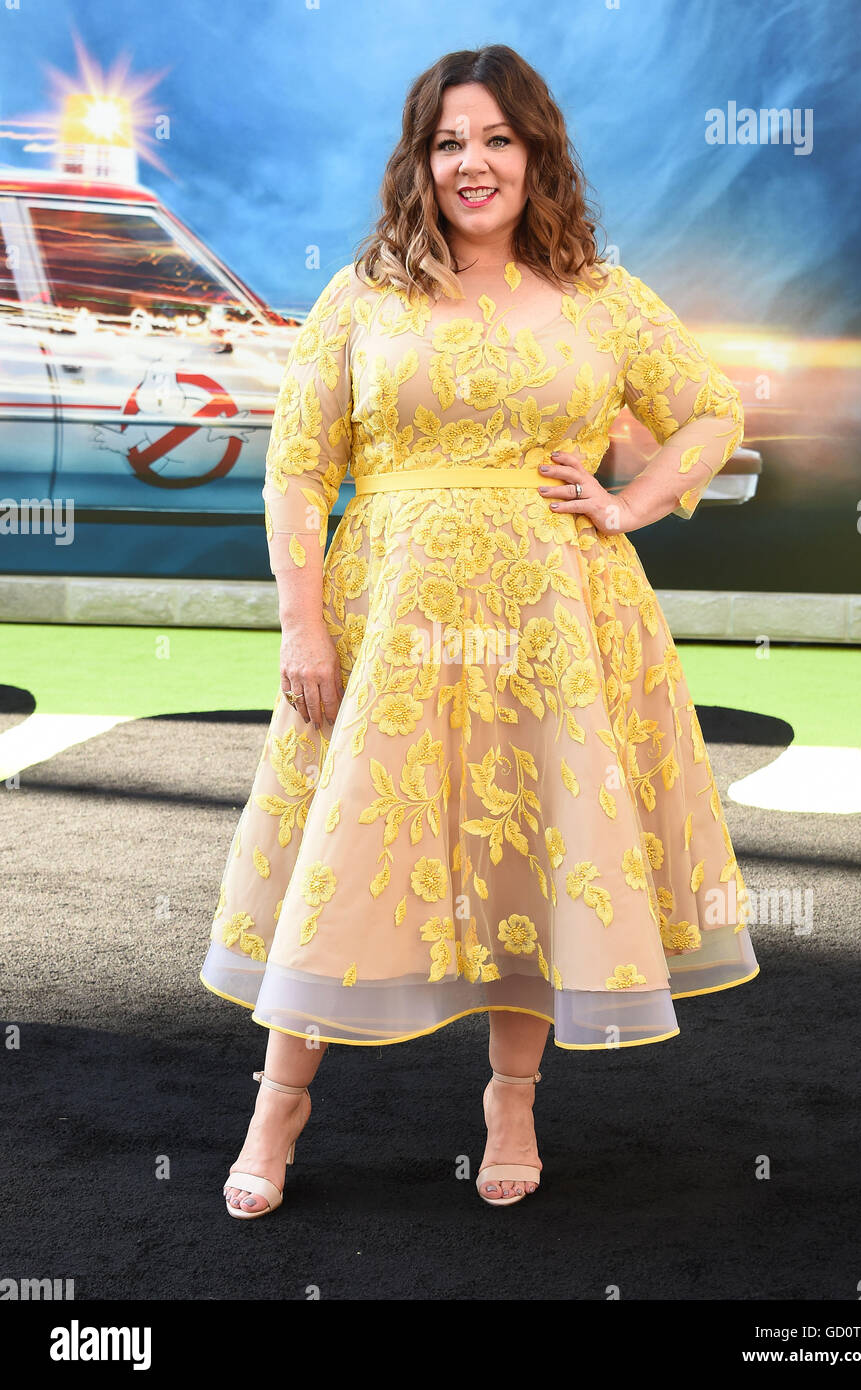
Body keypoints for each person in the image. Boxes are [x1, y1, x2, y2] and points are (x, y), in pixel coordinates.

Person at [200, 43, 759, 1218]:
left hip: (557, 619)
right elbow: (299, 470)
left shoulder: (601, 294)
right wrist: (302, 621)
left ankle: (513, 1096)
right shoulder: (365, 293)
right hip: (388, 622)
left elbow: (713, 407)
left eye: (497, 138)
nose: (473, 162)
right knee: (345, 852)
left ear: (535, 152)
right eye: (449, 141)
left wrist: (629, 504)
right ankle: (278, 1107)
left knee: (533, 839)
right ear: (420, 160)